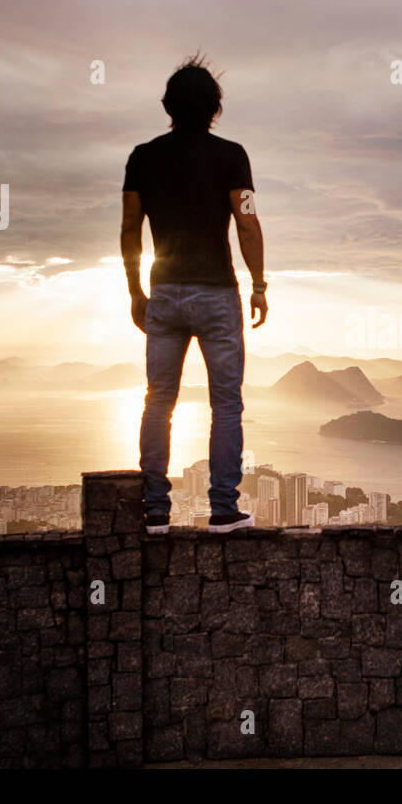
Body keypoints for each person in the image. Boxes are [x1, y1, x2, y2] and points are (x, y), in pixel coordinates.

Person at [120, 53, 267, 535]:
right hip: (217, 295)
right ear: (214, 108)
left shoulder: (143, 158)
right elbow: (247, 222)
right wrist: (260, 285)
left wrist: (136, 291)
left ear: (168, 106)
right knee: (226, 402)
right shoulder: (232, 156)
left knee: (158, 401)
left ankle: (155, 511)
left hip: (163, 295)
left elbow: (129, 230)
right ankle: (224, 508)